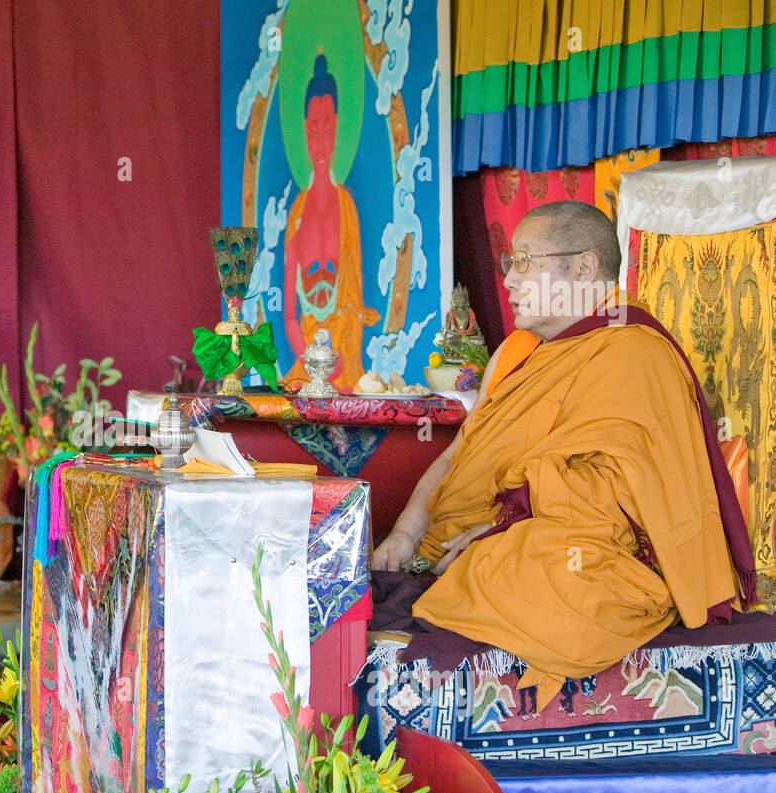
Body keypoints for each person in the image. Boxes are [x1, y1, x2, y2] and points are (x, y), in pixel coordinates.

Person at [370, 201, 755, 709]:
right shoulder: (516, 354)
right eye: (509, 264)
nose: (508, 280)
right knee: (490, 563)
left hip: (573, 547)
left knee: (545, 567)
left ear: (583, 268)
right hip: (471, 540)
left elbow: (628, 499)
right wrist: (405, 532)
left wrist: (509, 522)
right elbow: (458, 456)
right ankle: (462, 576)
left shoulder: (635, 352)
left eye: (524, 262)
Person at [283, 52, 381, 390]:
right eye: (313, 132)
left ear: (338, 129)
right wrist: (312, 363)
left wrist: (337, 365)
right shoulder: (296, 214)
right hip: (305, 367)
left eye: (327, 131)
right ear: (304, 135)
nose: (321, 144)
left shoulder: (347, 208)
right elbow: (290, 317)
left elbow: (354, 302)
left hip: (346, 361)